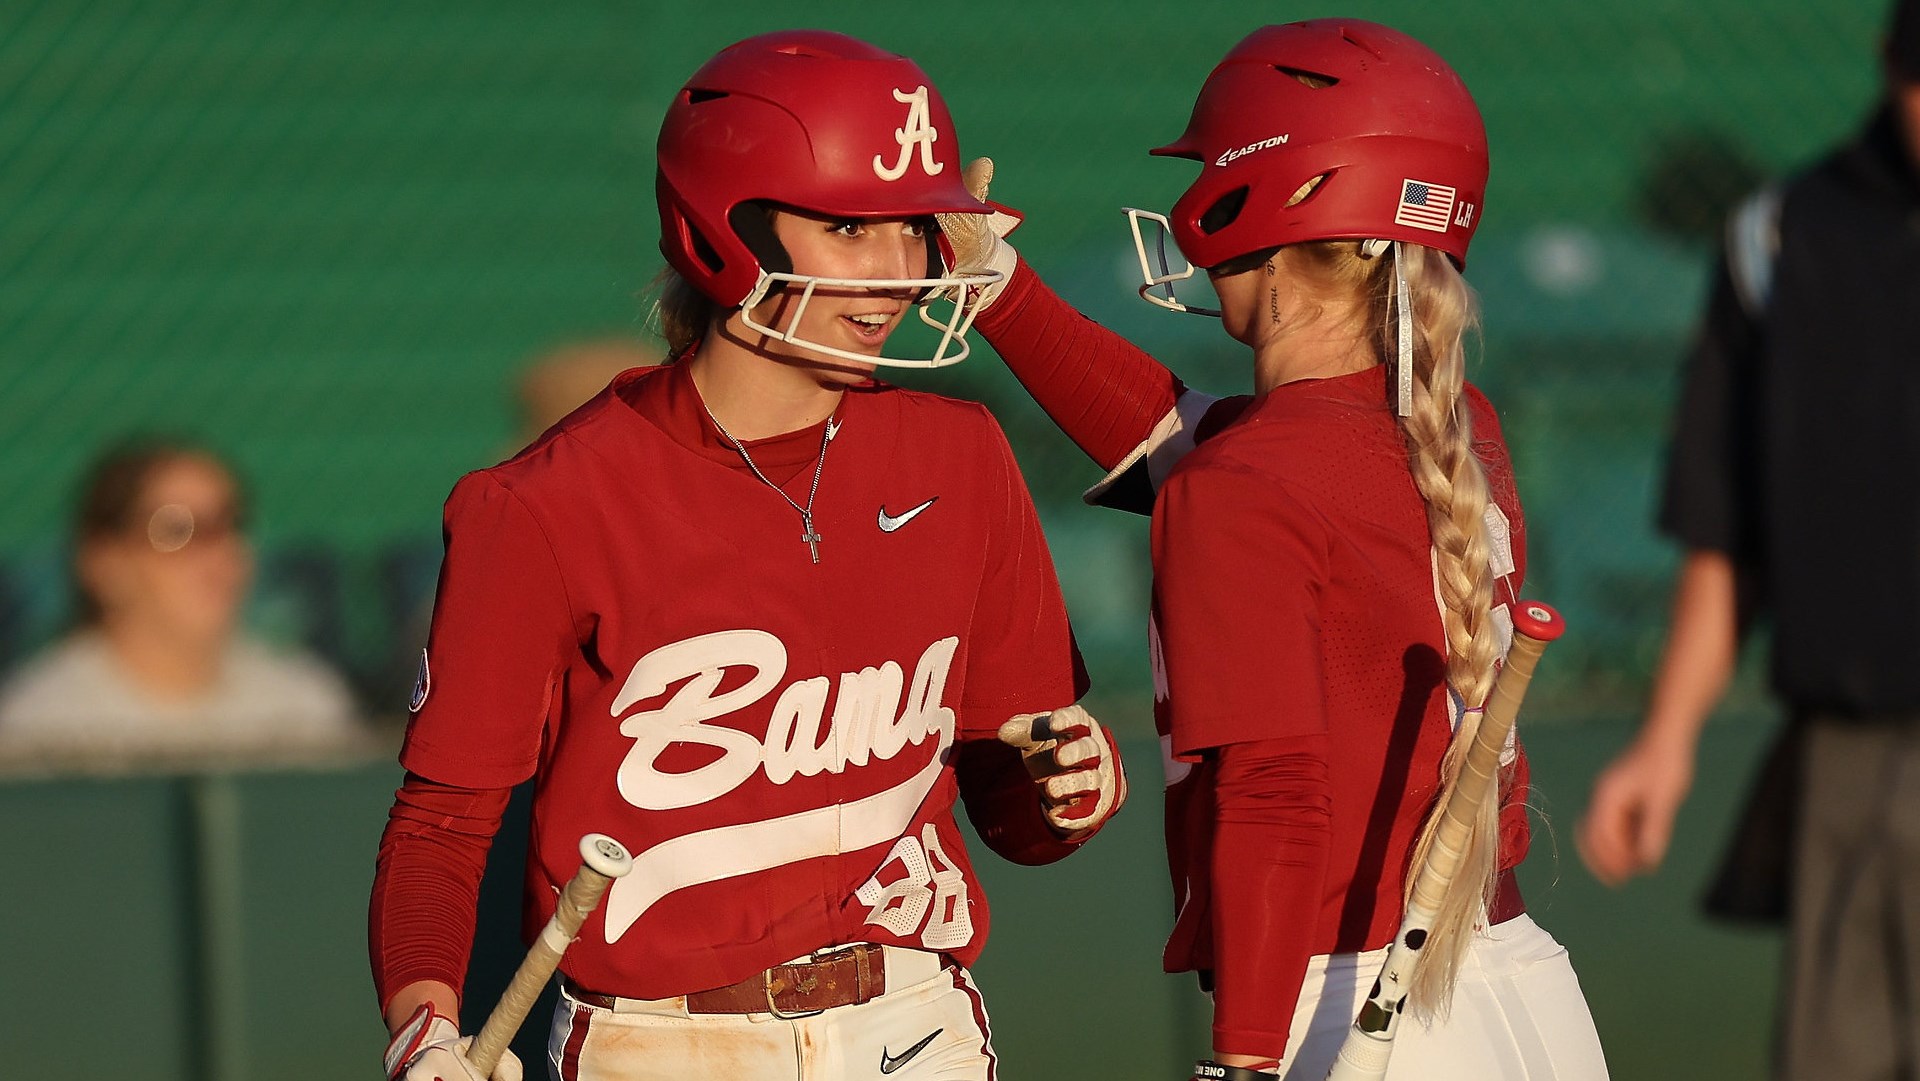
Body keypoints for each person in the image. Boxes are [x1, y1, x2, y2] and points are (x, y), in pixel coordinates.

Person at [369, 30, 1127, 1081]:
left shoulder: (960, 453)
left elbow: (1010, 808)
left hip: (914, 1021)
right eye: (849, 228)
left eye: (914, 229)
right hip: (660, 1041)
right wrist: (425, 1027)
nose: (898, 271)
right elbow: (441, 827)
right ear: (720, 227)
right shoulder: (545, 503)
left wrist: (1062, 792)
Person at [935, 19, 1607, 1080]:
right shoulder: (1454, 419)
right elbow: (1172, 432)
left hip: (1350, 1008)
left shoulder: (1245, 479)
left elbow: (1276, 797)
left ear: (1271, 201)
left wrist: (1240, 1060)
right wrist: (998, 282)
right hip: (1525, 991)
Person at [1577, 3, 1920, 1077]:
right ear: (1891, 65)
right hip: (1850, 752)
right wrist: (1666, 741)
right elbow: (1724, 532)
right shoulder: (1781, 238)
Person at [0, 439, 363, 764]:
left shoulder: (304, 708)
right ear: (104, 562)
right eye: (176, 530)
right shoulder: (39, 728)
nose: (216, 555)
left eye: (230, 524)